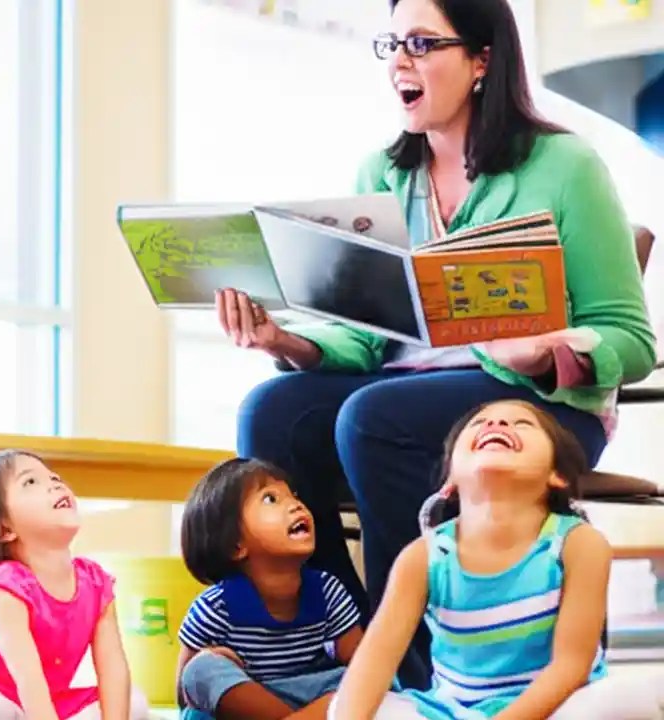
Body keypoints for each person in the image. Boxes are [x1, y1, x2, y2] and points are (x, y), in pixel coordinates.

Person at [215, 0, 655, 685]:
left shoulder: (564, 166)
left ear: (482, 60)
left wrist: (549, 350)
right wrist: (285, 340)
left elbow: (629, 339)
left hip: (535, 400)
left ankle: (418, 669)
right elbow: (364, 342)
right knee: (270, 410)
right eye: (392, 42)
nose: (399, 60)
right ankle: (340, 640)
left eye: (421, 43)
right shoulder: (382, 177)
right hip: (401, 389)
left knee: (373, 418)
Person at [328, 400, 664, 718]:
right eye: (478, 423)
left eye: (522, 423)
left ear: (556, 476)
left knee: (640, 698)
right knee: (347, 705)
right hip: (454, 712)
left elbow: (571, 666)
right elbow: (376, 659)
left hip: (558, 706)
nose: (496, 422)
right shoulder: (423, 557)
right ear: (451, 482)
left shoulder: (578, 543)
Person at [0, 450, 151, 720]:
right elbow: (27, 676)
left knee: (134, 702)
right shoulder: (4, 586)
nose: (55, 484)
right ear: (4, 529)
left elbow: (113, 668)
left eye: (54, 477)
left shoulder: (95, 583)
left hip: (48, 701)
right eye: (30, 482)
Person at [175, 458, 364, 720]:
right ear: (235, 545)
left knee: (362, 678)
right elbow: (185, 693)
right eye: (271, 499)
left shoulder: (327, 591)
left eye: (293, 496)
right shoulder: (216, 607)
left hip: (309, 699)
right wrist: (212, 660)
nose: (295, 505)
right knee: (201, 670)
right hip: (246, 706)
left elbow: (362, 661)